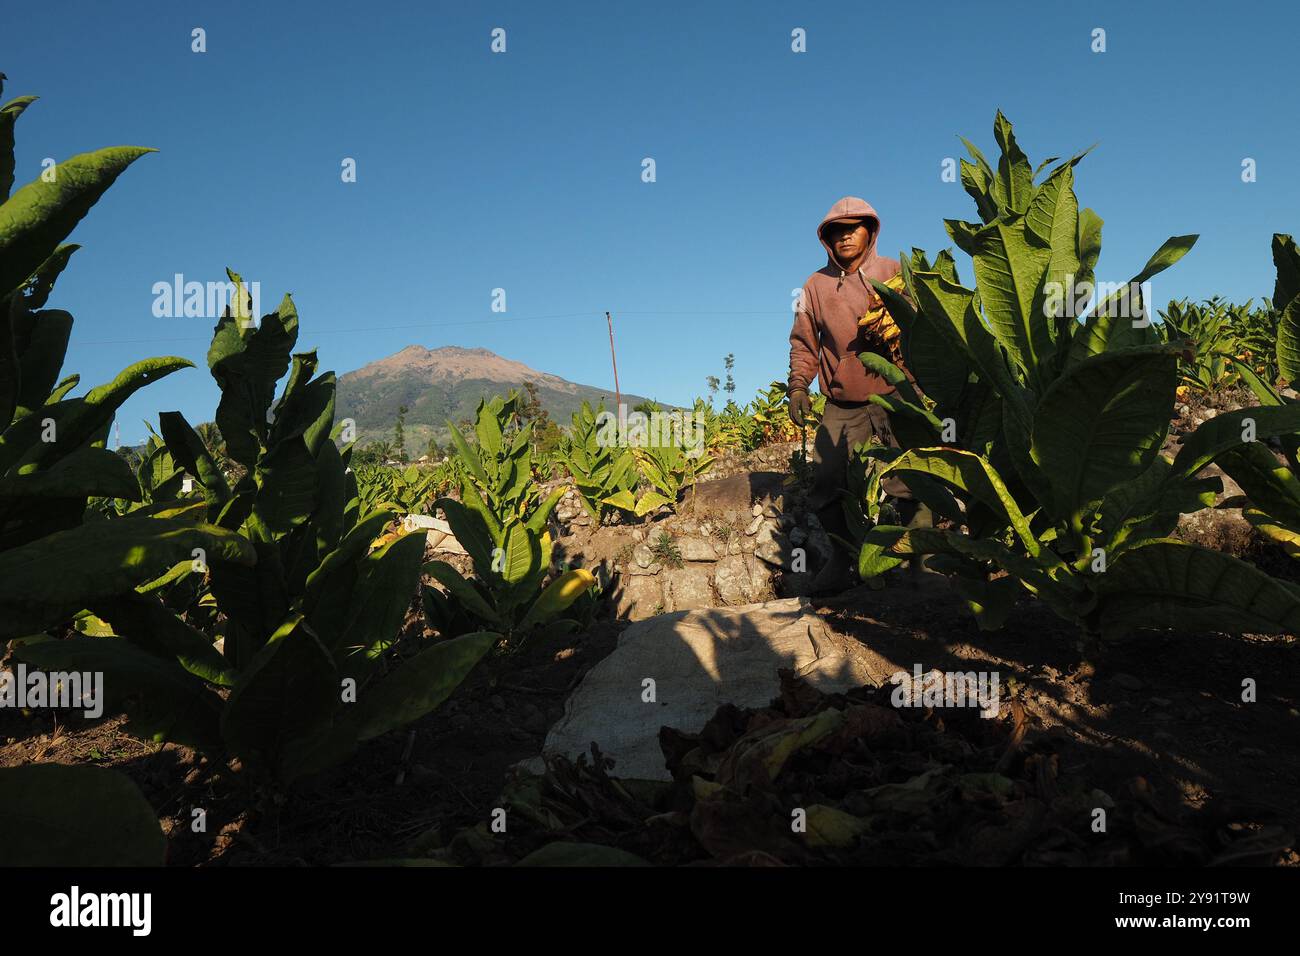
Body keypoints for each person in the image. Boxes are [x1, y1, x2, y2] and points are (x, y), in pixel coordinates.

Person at [787, 196, 925, 589]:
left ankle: (918, 557)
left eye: (854, 228)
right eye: (837, 230)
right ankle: (842, 559)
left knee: (911, 474)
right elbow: (803, 342)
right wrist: (799, 386)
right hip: (842, 401)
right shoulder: (813, 286)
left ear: (870, 231)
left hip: (896, 390)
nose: (846, 236)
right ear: (826, 238)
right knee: (827, 478)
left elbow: (920, 331)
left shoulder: (894, 271)